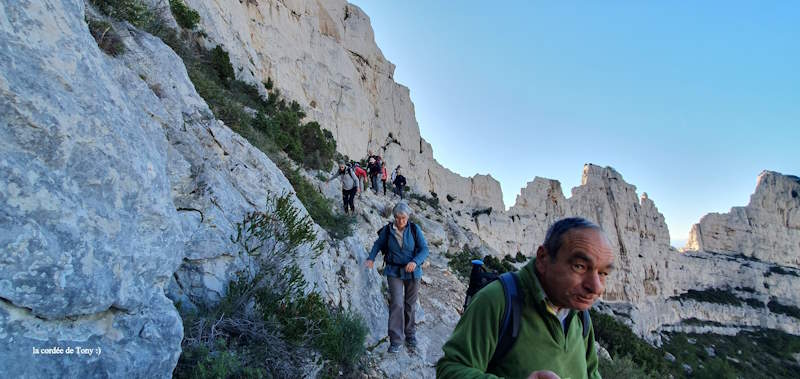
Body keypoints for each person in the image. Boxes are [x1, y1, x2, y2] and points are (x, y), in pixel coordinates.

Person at [436, 217, 615, 379]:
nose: (596, 287)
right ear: (543, 258)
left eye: (603, 273)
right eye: (579, 266)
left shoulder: (580, 316)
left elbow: (592, 373)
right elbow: (450, 370)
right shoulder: (498, 300)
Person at [365, 202, 429, 353]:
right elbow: (378, 244)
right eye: (398, 218)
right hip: (394, 271)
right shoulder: (388, 230)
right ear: (394, 217)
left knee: (410, 304)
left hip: (413, 272)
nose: (401, 221)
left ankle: (410, 335)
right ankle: (395, 340)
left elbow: (424, 249)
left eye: (404, 218)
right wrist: (371, 258)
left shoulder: (414, 229)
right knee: (397, 304)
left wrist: (415, 261)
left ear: (408, 217)